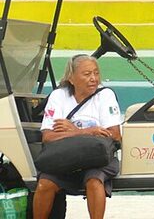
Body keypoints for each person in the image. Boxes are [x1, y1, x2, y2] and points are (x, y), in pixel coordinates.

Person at [34, 54, 123, 219]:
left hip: (98, 158)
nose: (94, 79)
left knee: (94, 180)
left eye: (96, 73)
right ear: (71, 78)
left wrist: (70, 131)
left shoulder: (105, 95)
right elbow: (48, 137)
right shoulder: (58, 96)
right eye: (87, 74)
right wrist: (87, 131)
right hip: (66, 157)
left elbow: (115, 135)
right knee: (44, 183)